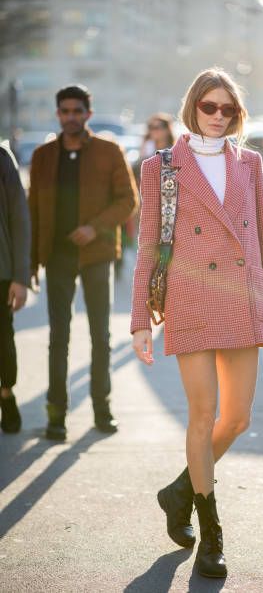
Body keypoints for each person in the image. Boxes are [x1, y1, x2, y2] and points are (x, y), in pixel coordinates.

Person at [131, 68, 263, 578]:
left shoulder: (249, 163)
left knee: (238, 419)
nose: (219, 116)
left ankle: (178, 491)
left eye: (229, 108)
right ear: (192, 108)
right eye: (210, 107)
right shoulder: (161, 167)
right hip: (192, 300)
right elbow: (147, 248)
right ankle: (211, 534)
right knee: (202, 416)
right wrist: (141, 320)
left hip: (242, 300)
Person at [29, 84, 138, 441]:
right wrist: (30, 264)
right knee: (58, 337)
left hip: (96, 255)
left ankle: (101, 408)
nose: (71, 117)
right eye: (65, 111)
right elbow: (32, 209)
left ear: (88, 114)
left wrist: (96, 227)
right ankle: (56, 415)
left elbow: (128, 200)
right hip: (57, 256)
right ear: (58, 114)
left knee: (100, 336)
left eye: (78, 111)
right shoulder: (44, 155)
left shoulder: (109, 151)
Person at [0, 143, 31, 433]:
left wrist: (21, 277)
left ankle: (6, 393)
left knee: (3, 338)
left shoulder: (1, 157)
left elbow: (19, 218)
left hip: (1, 271)